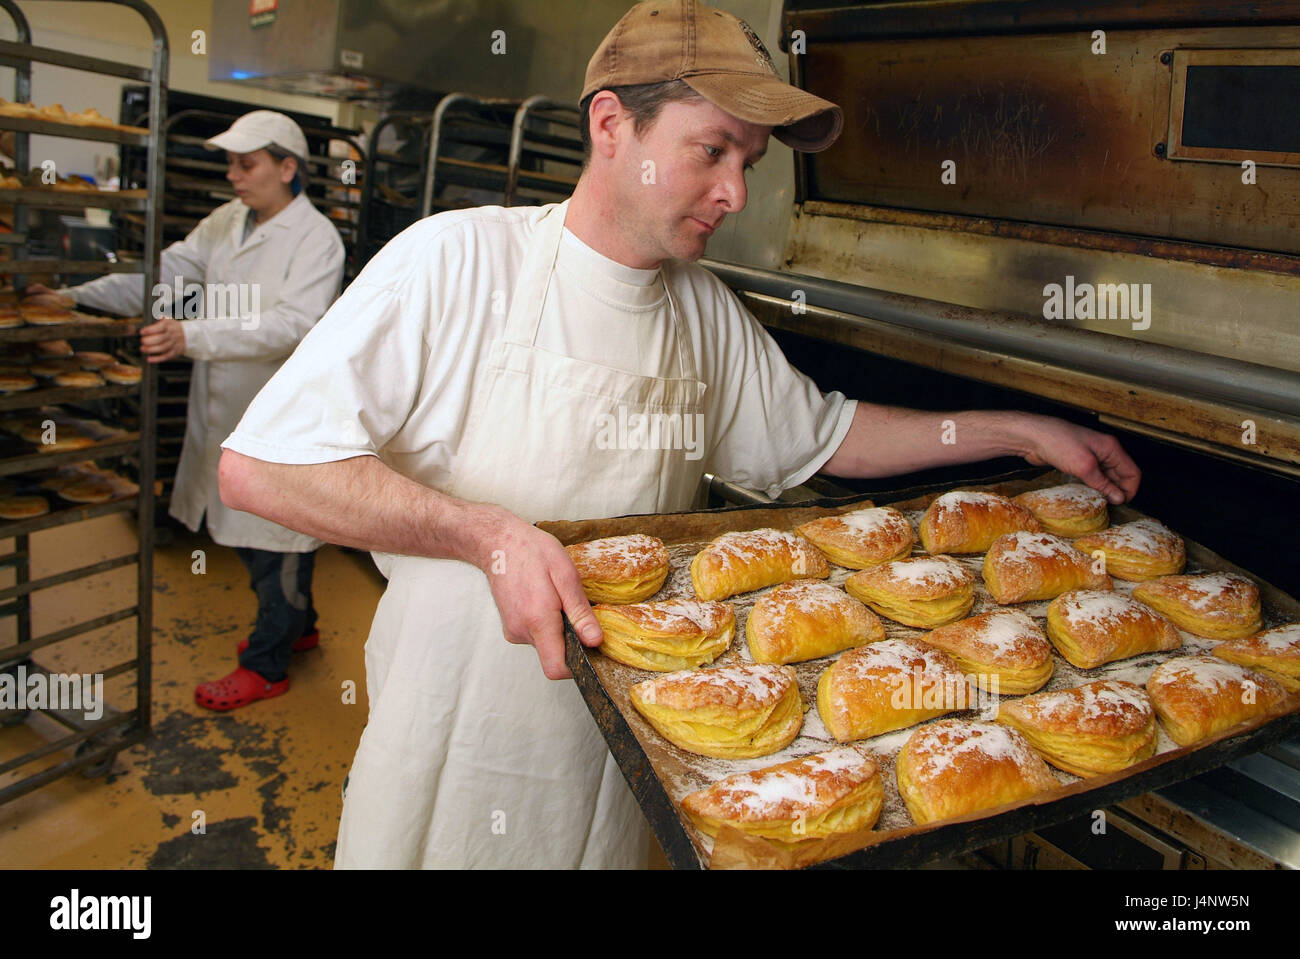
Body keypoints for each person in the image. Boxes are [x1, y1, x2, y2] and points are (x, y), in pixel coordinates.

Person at [217, 1, 1140, 868]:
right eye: (712, 151)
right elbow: (261, 467)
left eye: (752, 163)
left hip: (644, 735)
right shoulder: (458, 261)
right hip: (463, 727)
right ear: (611, 125)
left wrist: (1018, 431)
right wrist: (488, 536)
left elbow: (828, 438)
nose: (735, 192)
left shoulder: (704, 309)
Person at [26, 110, 345, 711]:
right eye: (230, 163)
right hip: (222, 411)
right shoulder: (227, 222)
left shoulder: (317, 239)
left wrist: (191, 337)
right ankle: (299, 629)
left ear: (287, 167)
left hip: (280, 421)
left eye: (246, 164)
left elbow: (293, 325)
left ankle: (267, 664)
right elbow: (163, 277)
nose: (233, 175)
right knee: (249, 530)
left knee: (273, 541)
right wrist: (72, 297)